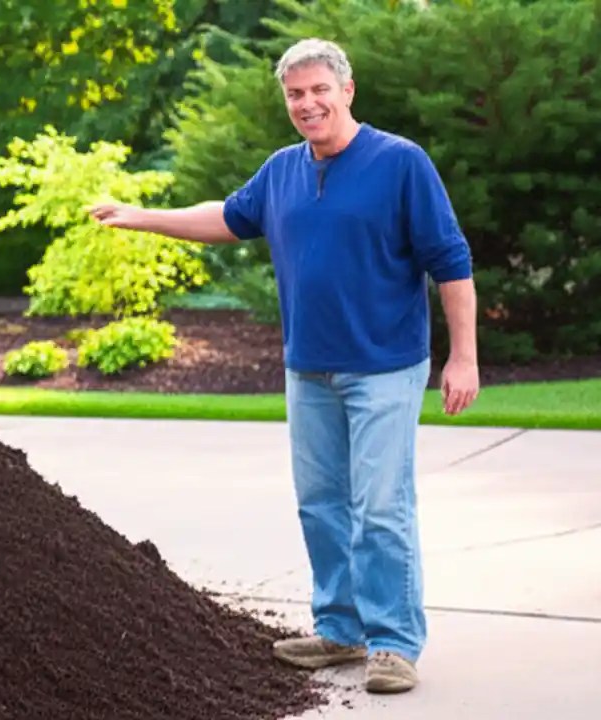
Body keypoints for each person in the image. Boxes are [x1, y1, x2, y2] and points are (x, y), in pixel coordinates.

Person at [89, 38, 479, 694]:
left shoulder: (401, 164)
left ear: (347, 90)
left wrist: (463, 356)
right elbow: (228, 217)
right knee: (322, 504)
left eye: (319, 89)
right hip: (310, 370)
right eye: (295, 94)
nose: (307, 103)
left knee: (381, 504)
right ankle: (340, 627)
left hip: (384, 366)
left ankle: (392, 642)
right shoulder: (282, 171)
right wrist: (142, 218)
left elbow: (452, 261)